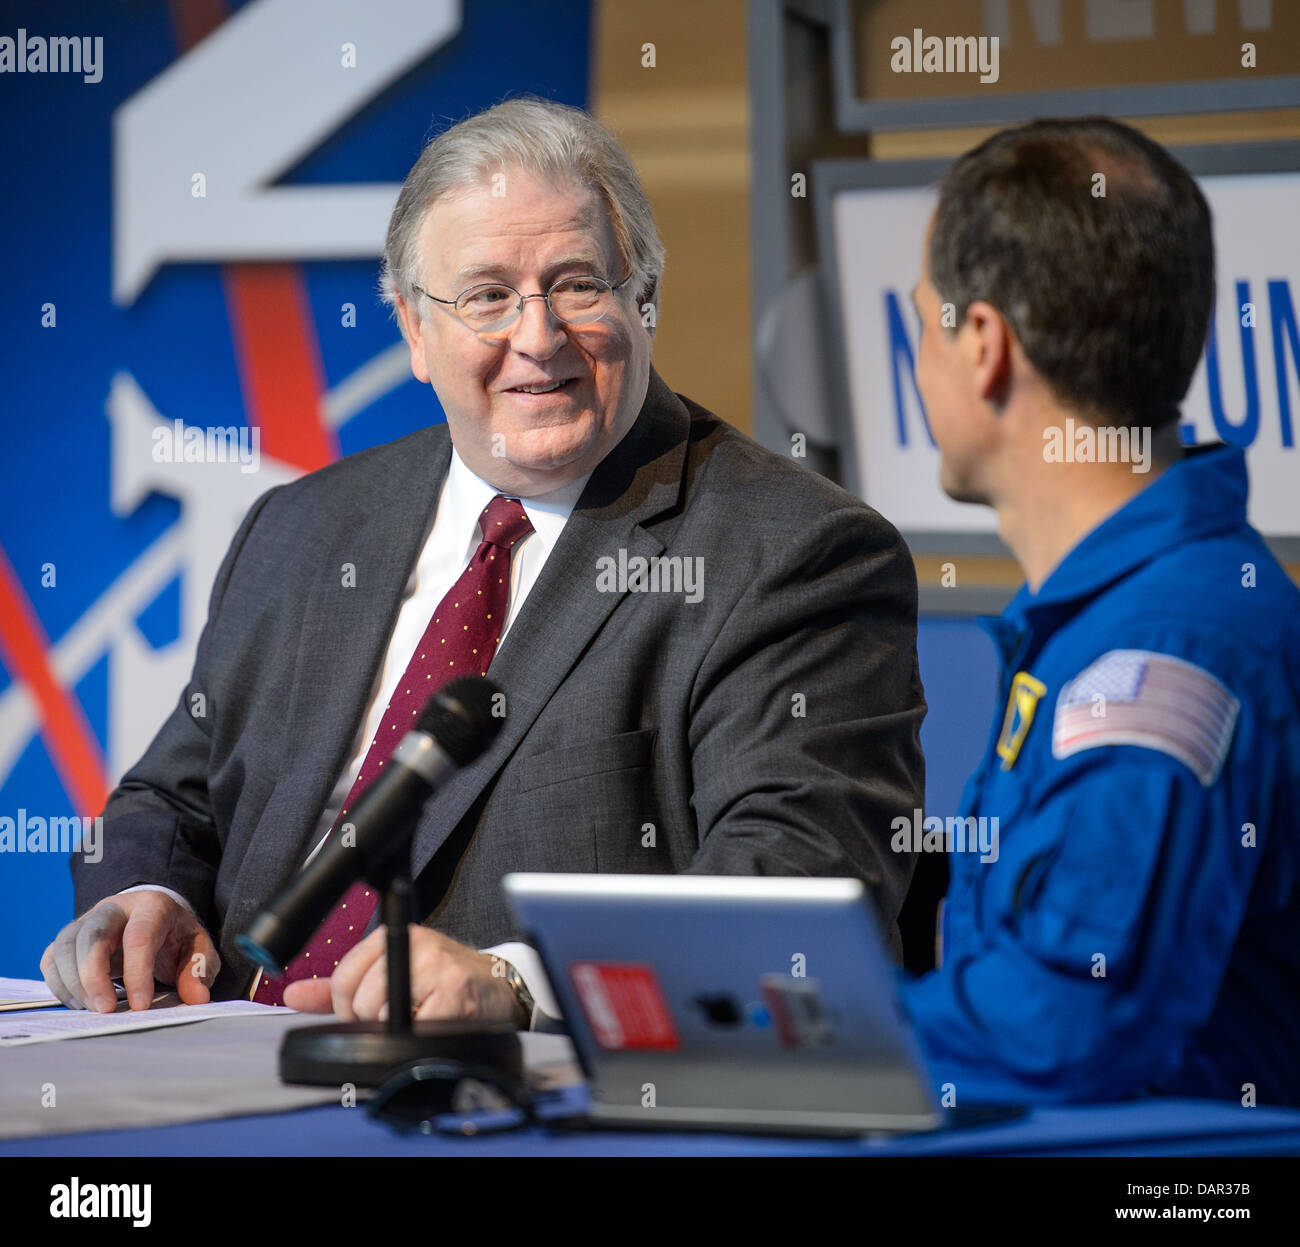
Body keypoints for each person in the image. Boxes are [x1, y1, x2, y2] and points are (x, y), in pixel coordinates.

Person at [42, 98, 925, 1028]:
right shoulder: (301, 526)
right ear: (414, 331)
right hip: (208, 1057)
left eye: (578, 284)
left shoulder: (791, 552)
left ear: (645, 298)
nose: (538, 337)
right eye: (487, 296)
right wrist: (150, 896)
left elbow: (798, 889)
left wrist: (513, 986)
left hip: (515, 1098)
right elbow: (171, 795)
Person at [898, 116, 1300, 1106]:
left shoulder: (1165, 651)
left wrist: (806, 1038)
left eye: (921, 323)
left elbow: (1069, 1022)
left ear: (983, 345)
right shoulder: (1117, 622)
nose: (918, 362)